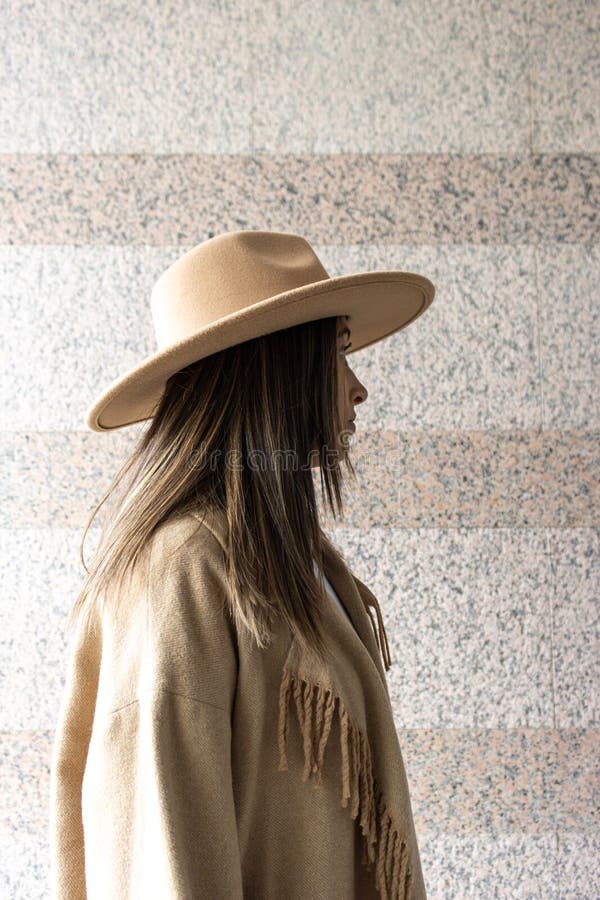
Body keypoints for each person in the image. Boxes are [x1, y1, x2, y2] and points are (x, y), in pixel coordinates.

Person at [49, 230, 435, 899]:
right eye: (337, 352)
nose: (359, 388)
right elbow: (165, 864)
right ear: (275, 367)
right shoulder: (179, 575)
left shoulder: (296, 565)